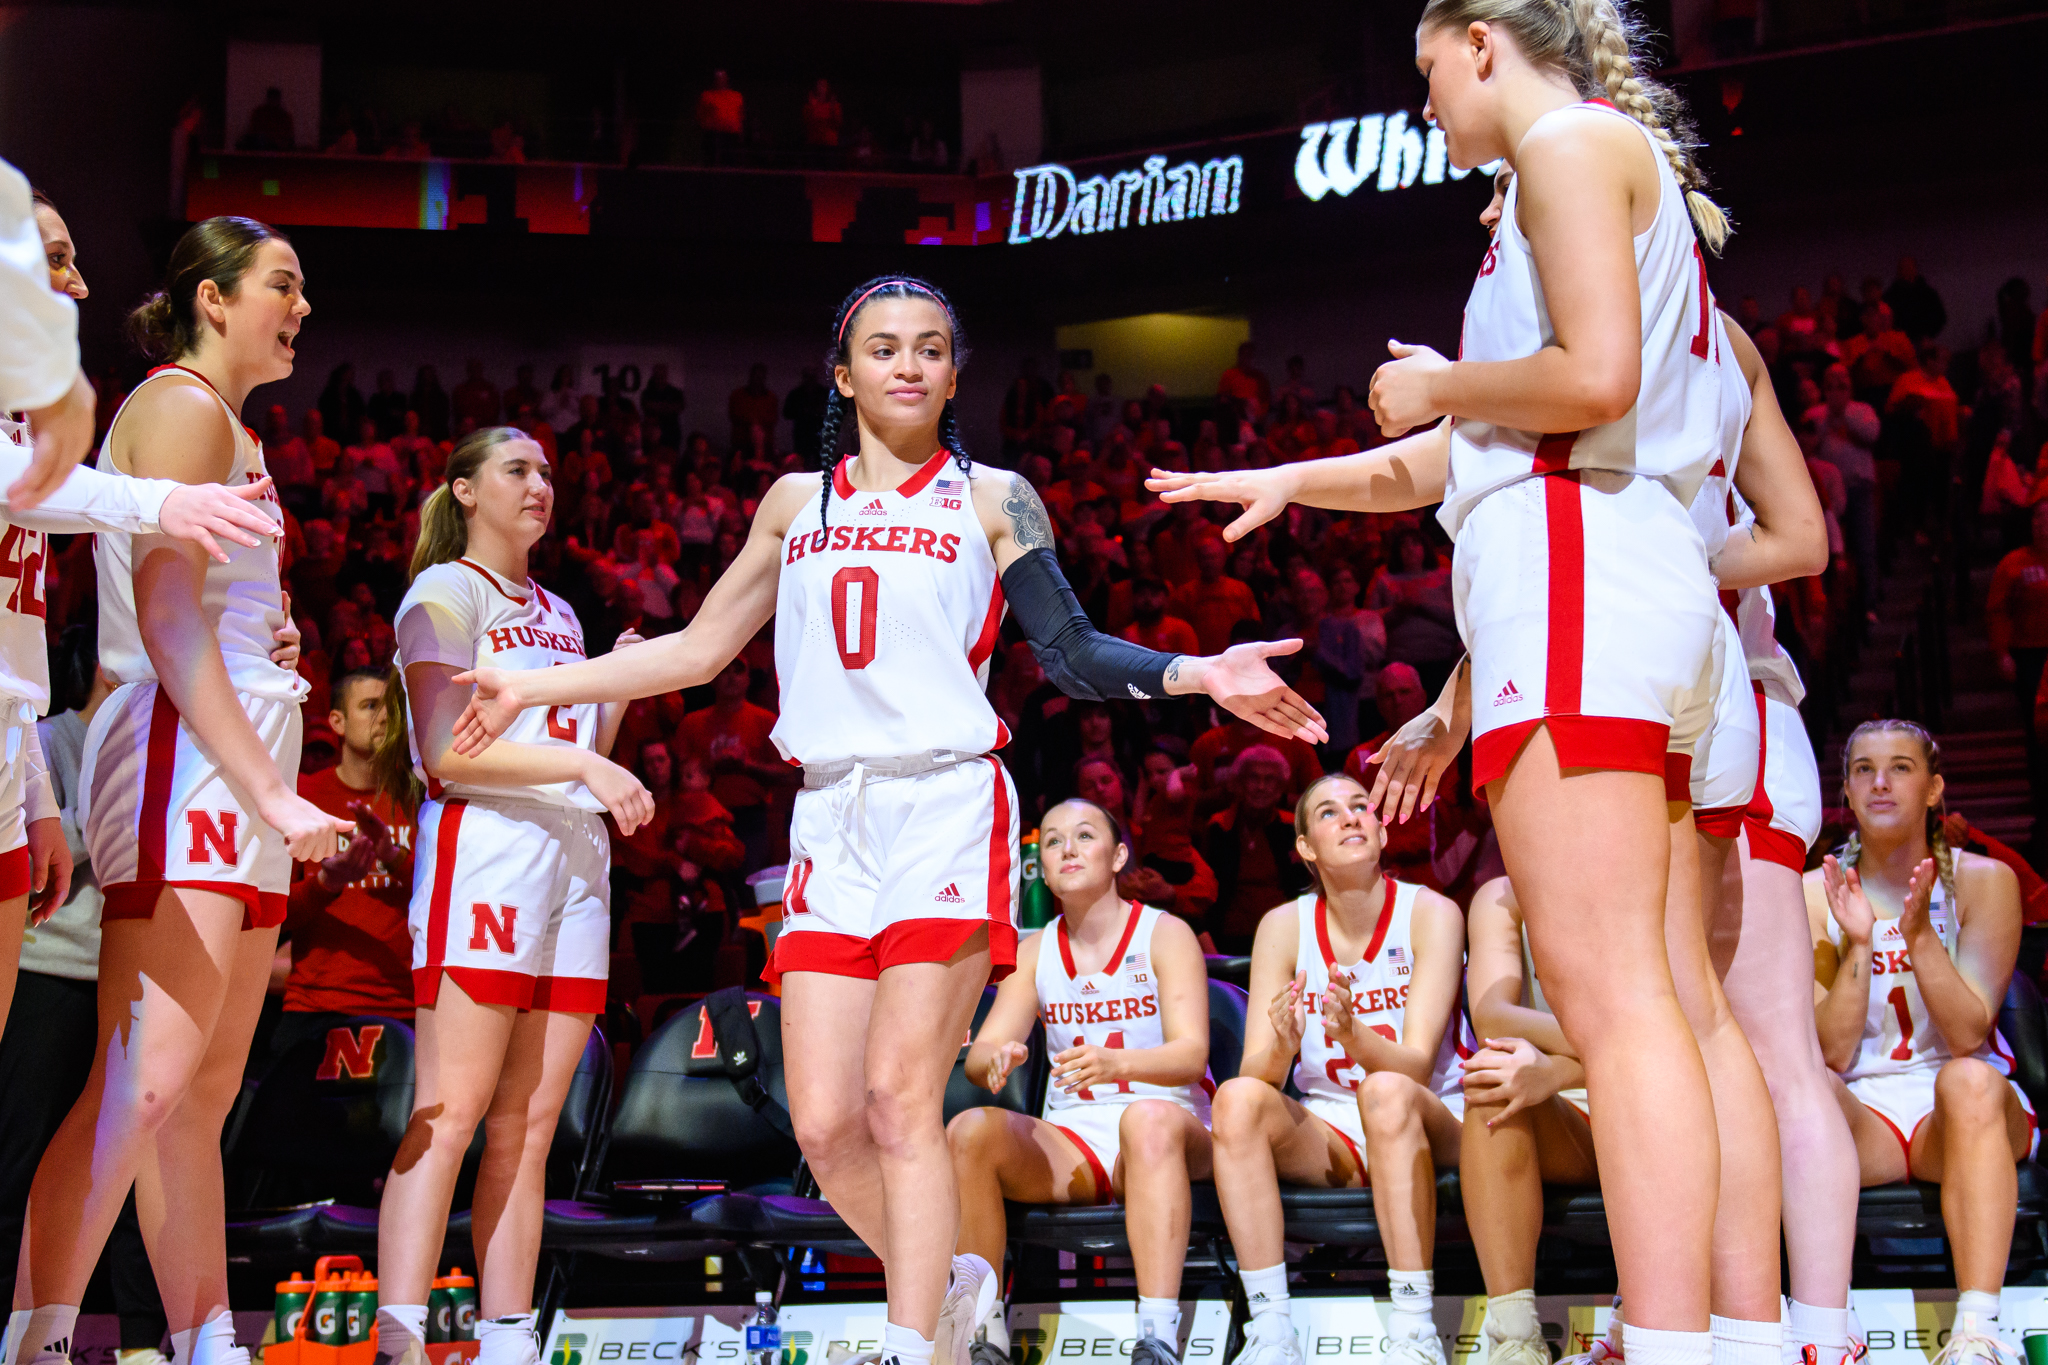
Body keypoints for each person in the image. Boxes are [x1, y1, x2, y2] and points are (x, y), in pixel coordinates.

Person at [446, 275, 1322, 1365]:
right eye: (881, 347)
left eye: (929, 348)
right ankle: (953, 1277)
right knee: (819, 1120)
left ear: (955, 373)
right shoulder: (789, 503)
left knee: (901, 1097)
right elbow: (697, 650)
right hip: (830, 817)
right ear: (842, 372)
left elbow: (1069, 650)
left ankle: (915, 1346)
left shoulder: (992, 496)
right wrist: (531, 689)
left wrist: (1198, 672)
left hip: (946, 803)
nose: (905, 365)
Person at [1151, 0, 1750, 1355]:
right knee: (1655, 992)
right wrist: (1297, 475)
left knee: (1620, 997)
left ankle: (1675, 1339)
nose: (1424, 105)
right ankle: (1723, 1329)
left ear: (1483, 40)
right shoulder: (1576, 172)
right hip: (1613, 570)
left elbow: (1585, 379)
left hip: (1582, 572)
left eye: (1426, 73)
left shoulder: (1564, 148)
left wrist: (1438, 383)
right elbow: (1477, 442)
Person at [15, 215, 346, 1365]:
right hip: (183, 754)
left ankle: (209, 1340)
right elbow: (160, 625)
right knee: (140, 1081)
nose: (301, 309)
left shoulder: (230, 426)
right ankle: (40, 1334)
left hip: (229, 746)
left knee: (196, 1093)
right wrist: (276, 790)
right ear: (213, 298)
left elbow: (205, 613)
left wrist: (273, 649)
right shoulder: (179, 404)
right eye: (282, 286)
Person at [363, 426, 648, 1365]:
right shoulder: (442, 593)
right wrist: (585, 758)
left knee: (528, 1128)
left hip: (573, 862)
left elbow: (574, 744)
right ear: (465, 490)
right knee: (451, 1110)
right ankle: (400, 1334)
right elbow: (447, 751)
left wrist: (616, 695)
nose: (540, 485)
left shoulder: (563, 612)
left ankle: (507, 1336)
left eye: (549, 472)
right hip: (485, 854)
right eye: (517, 469)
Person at [0, 190, 289, 1038]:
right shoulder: (162, 414)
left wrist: (37, 797)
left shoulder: (22, 414)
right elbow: (26, 487)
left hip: (10, 756)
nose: (81, 285)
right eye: (55, 258)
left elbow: (14, 631)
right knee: (147, 1087)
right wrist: (160, 501)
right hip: (159, 734)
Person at [1210, 774, 1467, 1365]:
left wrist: (1352, 1034)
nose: (1351, 818)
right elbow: (1258, 1073)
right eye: (1328, 813)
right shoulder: (1283, 924)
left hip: (1437, 1116)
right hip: (1335, 1127)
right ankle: (1271, 1328)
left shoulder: (1432, 913)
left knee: (1385, 1090)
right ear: (1304, 846)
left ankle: (1414, 1327)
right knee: (1235, 1100)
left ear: (1381, 828)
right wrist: (1282, 1043)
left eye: (1361, 807)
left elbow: (1418, 1066)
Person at [947, 797, 1212, 1365]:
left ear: (1119, 857)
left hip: (1172, 1121)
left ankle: (1158, 1335)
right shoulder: (1034, 950)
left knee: (1146, 1122)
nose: (1068, 848)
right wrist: (996, 1059)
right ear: (1041, 868)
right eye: (1053, 841)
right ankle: (982, 1333)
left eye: (1086, 836)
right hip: (1080, 1138)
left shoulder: (1165, 934)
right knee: (969, 1130)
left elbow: (1192, 1055)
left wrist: (1120, 1066)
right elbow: (981, 1053)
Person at [1809, 721, 2030, 1357]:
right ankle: (1824, 1326)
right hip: (1865, 1116)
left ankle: (1978, 1332)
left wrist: (1919, 936)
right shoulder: (1807, 891)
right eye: (1863, 770)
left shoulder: (1985, 881)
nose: (1880, 782)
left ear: (1934, 789)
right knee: (1804, 1091)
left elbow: (1967, 1034)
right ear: (1845, 793)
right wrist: (1859, 942)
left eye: (1901, 768)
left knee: (1971, 1081)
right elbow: (1829, 1051)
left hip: (1960, 1113)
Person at [0, 633, 168, 1365]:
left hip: (112, 974)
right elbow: (59, 842)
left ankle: (134, 1341)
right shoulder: (50, 735)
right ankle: (13, 1326)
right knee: (21, 1159)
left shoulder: (147, 737)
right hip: (43, 973)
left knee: (124, 1158)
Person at [1459, 875, 1595, 1365]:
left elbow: (1679, 1030)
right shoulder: (1502, 896)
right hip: (1576, 1108)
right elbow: (1492, 1017)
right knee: (1491, 1078)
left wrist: (1556, 1069)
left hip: (1654, 1099)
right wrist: (1607, 1043)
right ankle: (1515, 1337)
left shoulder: (1654, 869)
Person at [273, 668, 416, 1063]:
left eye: (390, 707)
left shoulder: (417, 796)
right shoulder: (303, 796)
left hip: (405, 1007)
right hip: (314, 1006)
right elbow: (276, 915)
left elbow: (445, 902)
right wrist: (326, 881)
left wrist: (391, 855)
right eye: (370, 706)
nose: (385, 717)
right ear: (336, 721)